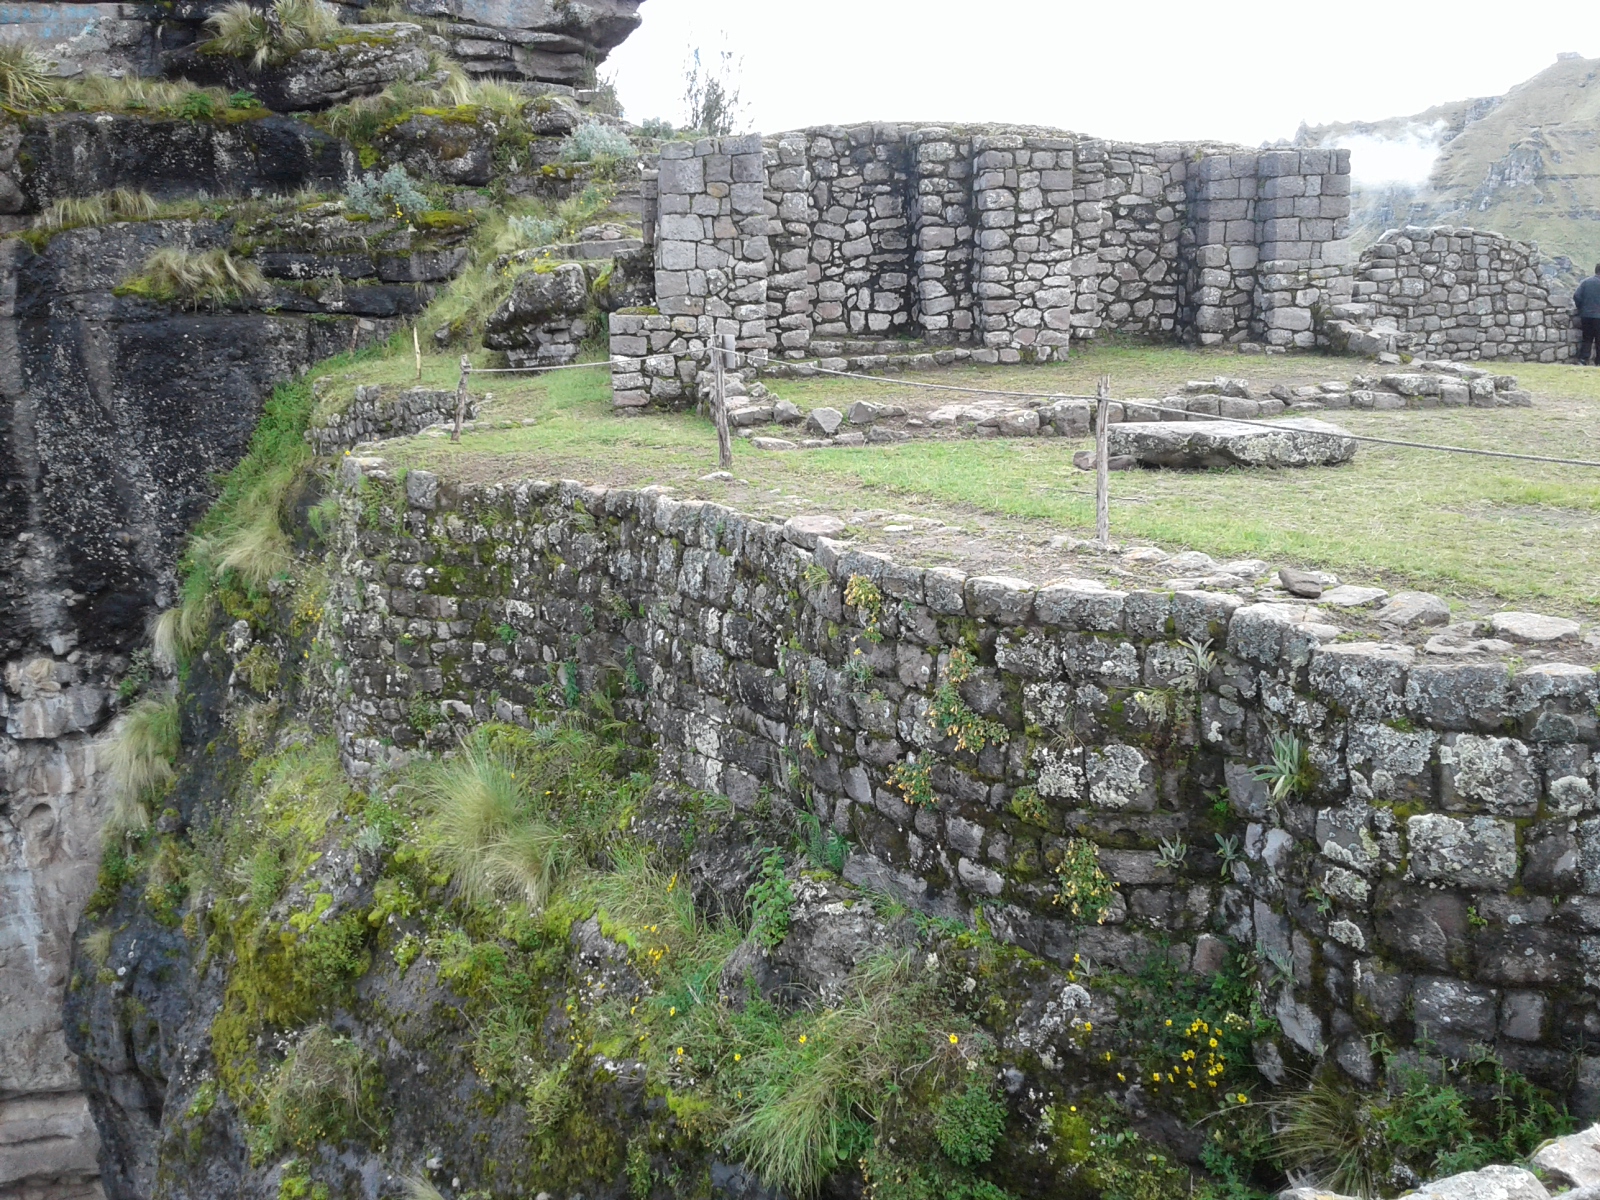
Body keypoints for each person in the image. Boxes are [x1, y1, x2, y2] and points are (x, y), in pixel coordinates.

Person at [1576, 264, 1600, 364]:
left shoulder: (1586, 282)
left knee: (1587, 338)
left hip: (1586, 315)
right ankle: (1598, 362)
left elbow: (1577, 296)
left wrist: (1581, 308)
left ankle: (1583, 359)